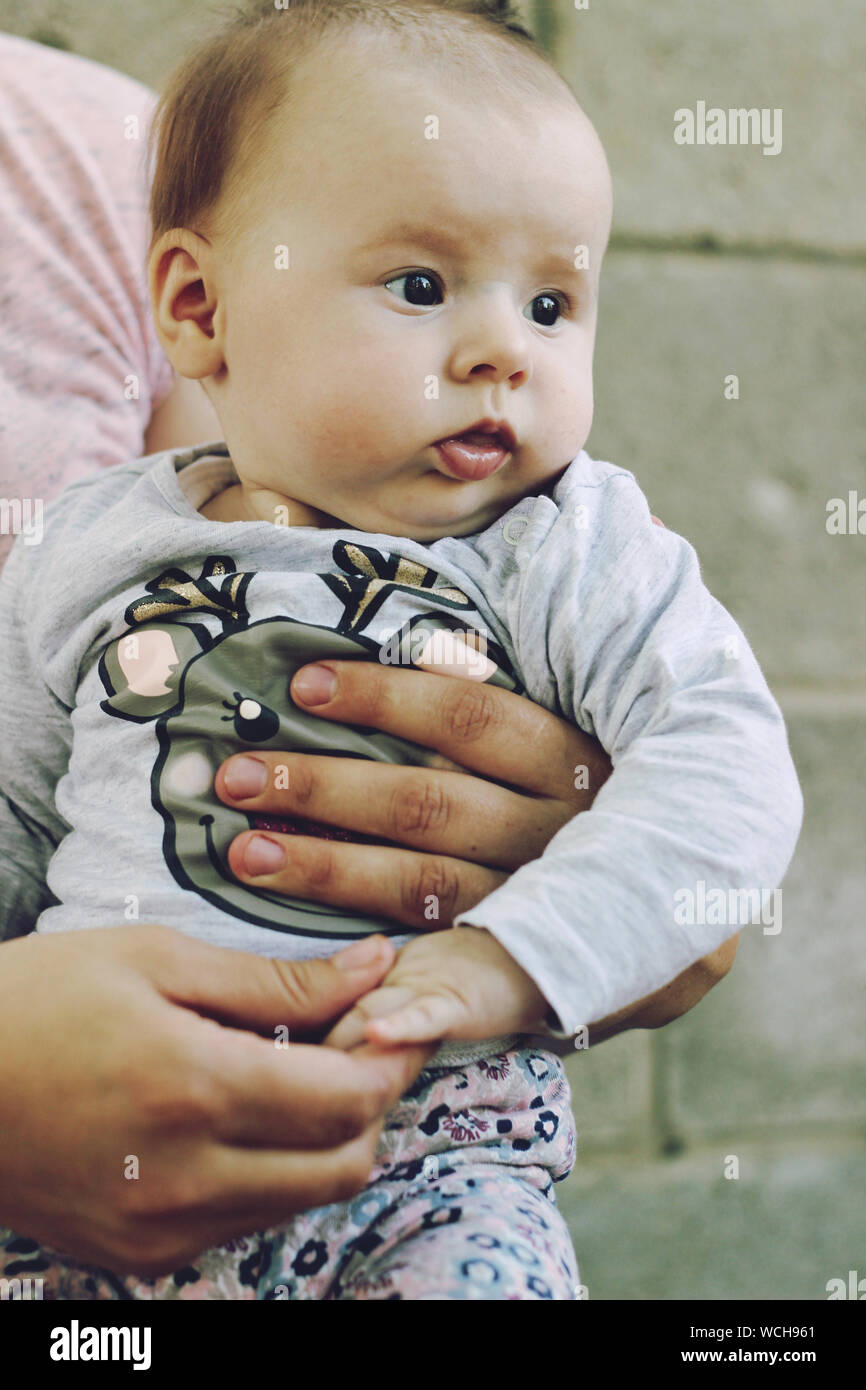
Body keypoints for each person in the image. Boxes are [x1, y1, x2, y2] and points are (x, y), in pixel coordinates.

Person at [0, 1, 795, 1299]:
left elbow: (727, 770)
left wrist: (506, 957)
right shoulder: (89, 547)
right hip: (71, 1183)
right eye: (420, 288)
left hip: (424, 1160)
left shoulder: (568, 546)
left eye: (552, 302)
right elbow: (13, 813)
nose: (501, 353)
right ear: (198, 308)